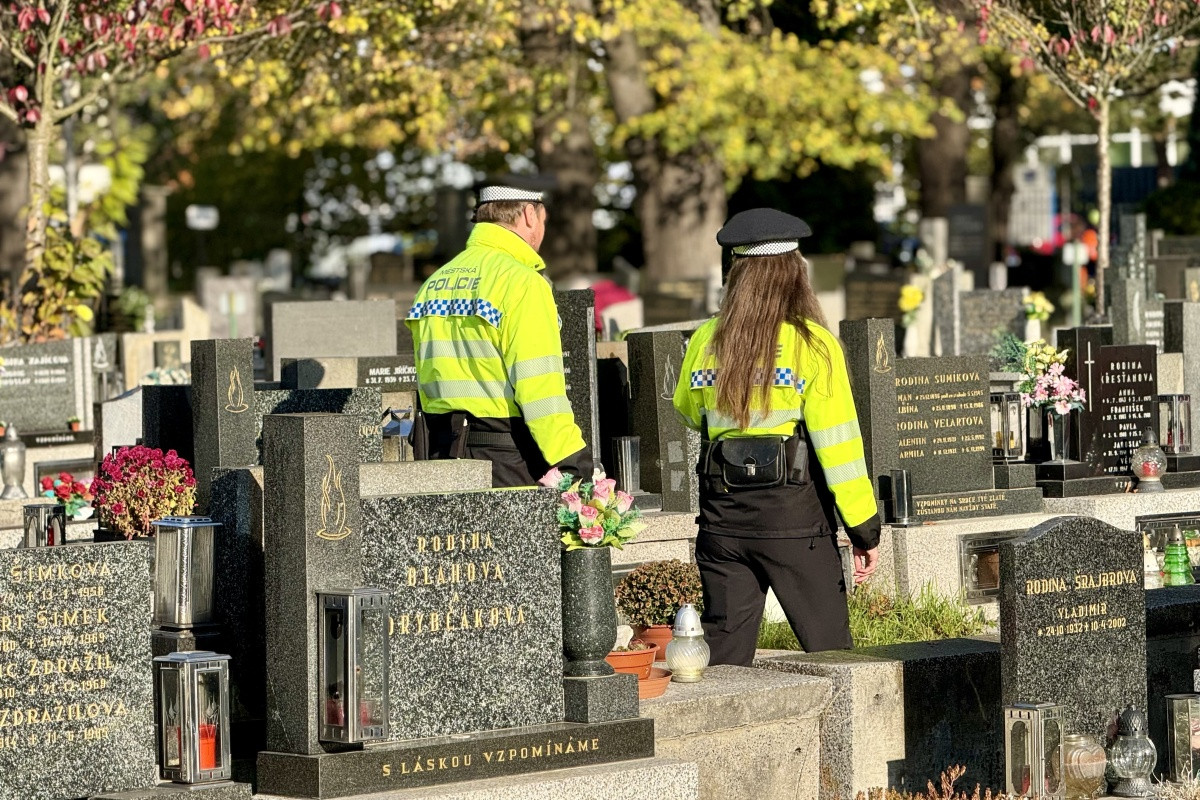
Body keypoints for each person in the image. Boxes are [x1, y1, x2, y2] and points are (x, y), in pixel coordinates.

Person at [672, 208, 880, 665]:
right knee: (833, 658)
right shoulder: (814, 344)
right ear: (794, 275)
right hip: (795, 524)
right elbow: (839, 447)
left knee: (724, 660)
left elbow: (688, 411)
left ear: (737, 274)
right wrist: (864, 530)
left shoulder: (707, 339)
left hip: (722, 524)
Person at [406, 177, 592, 487]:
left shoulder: (434, 284)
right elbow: (540, 391)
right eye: (544, 219)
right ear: (530, 215)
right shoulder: (522, 283)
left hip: (438, 456)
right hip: (506, 458)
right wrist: (576, 465)